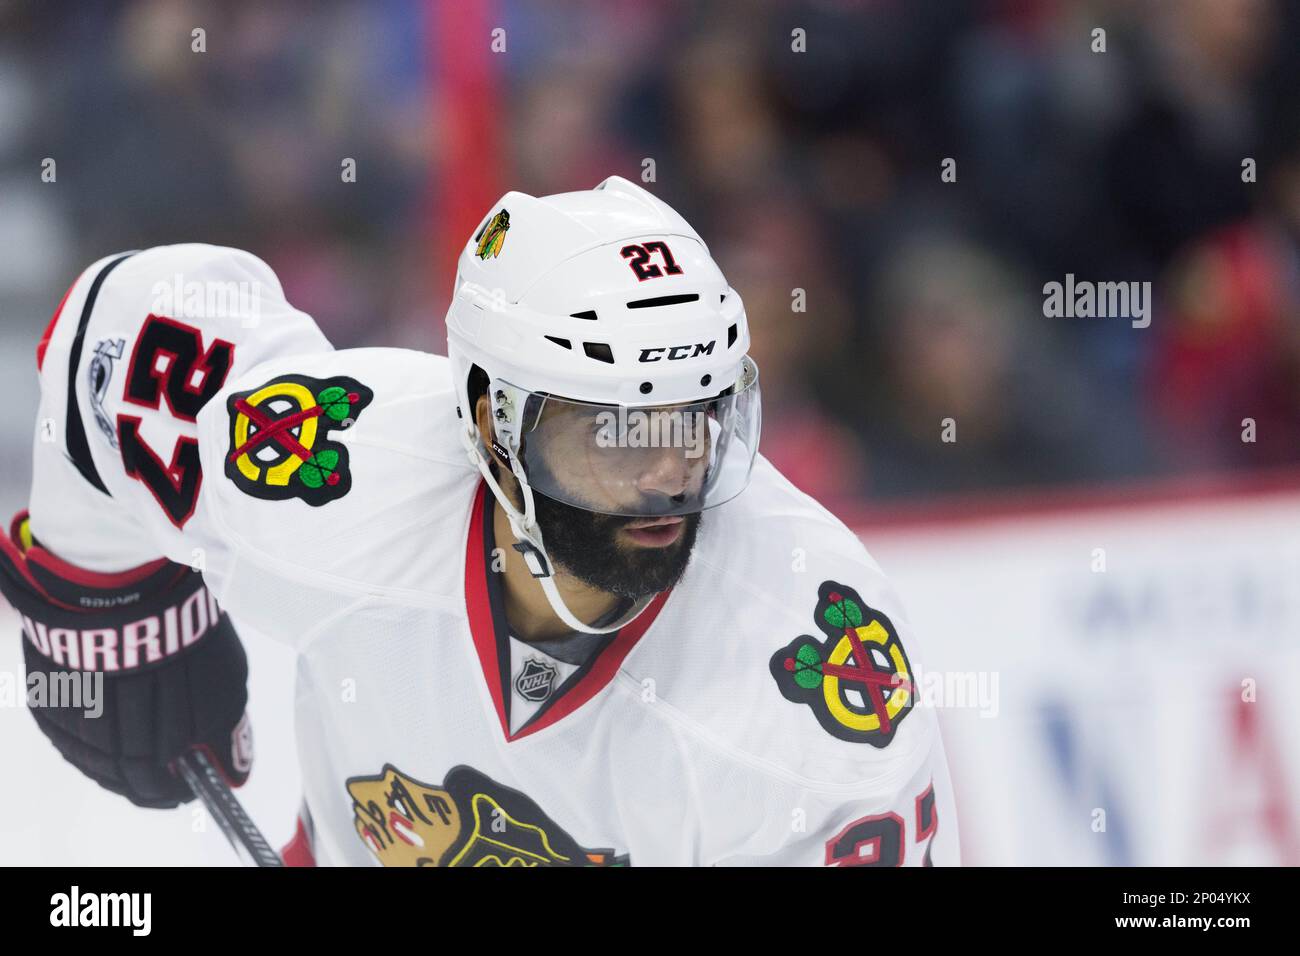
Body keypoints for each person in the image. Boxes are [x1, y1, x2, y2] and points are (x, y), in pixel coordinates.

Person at [0, 176, 957, 866]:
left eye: (696, 416)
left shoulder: (812, 705)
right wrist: (104, 604)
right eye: (617, 429)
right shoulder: (331, 473)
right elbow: (118, 330)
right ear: (496, 426)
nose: (672, 471)